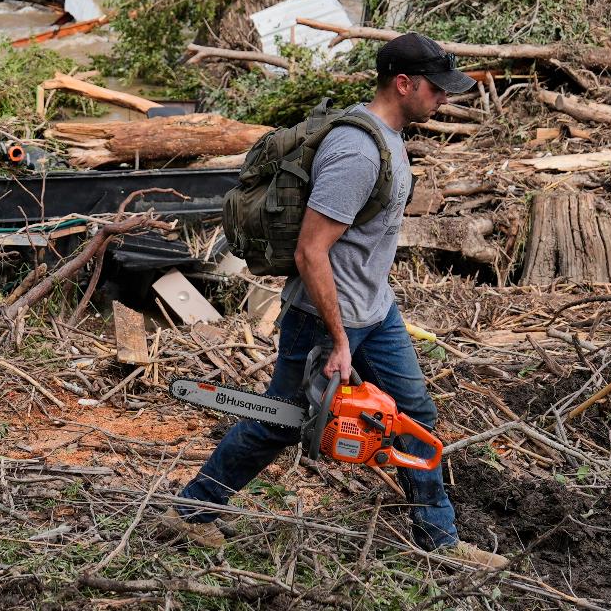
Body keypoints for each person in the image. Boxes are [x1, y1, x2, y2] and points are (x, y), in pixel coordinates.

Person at [161, 31, 509, 569]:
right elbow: (310, 251)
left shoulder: (388, 137)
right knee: (281, 420)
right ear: (403, 83)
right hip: (325, 319)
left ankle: (440, 543)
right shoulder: (357, 152)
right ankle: (191, 510)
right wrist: (340, 340)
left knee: (415, 415)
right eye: (436, 88)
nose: (443, 98)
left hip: (375, 310)